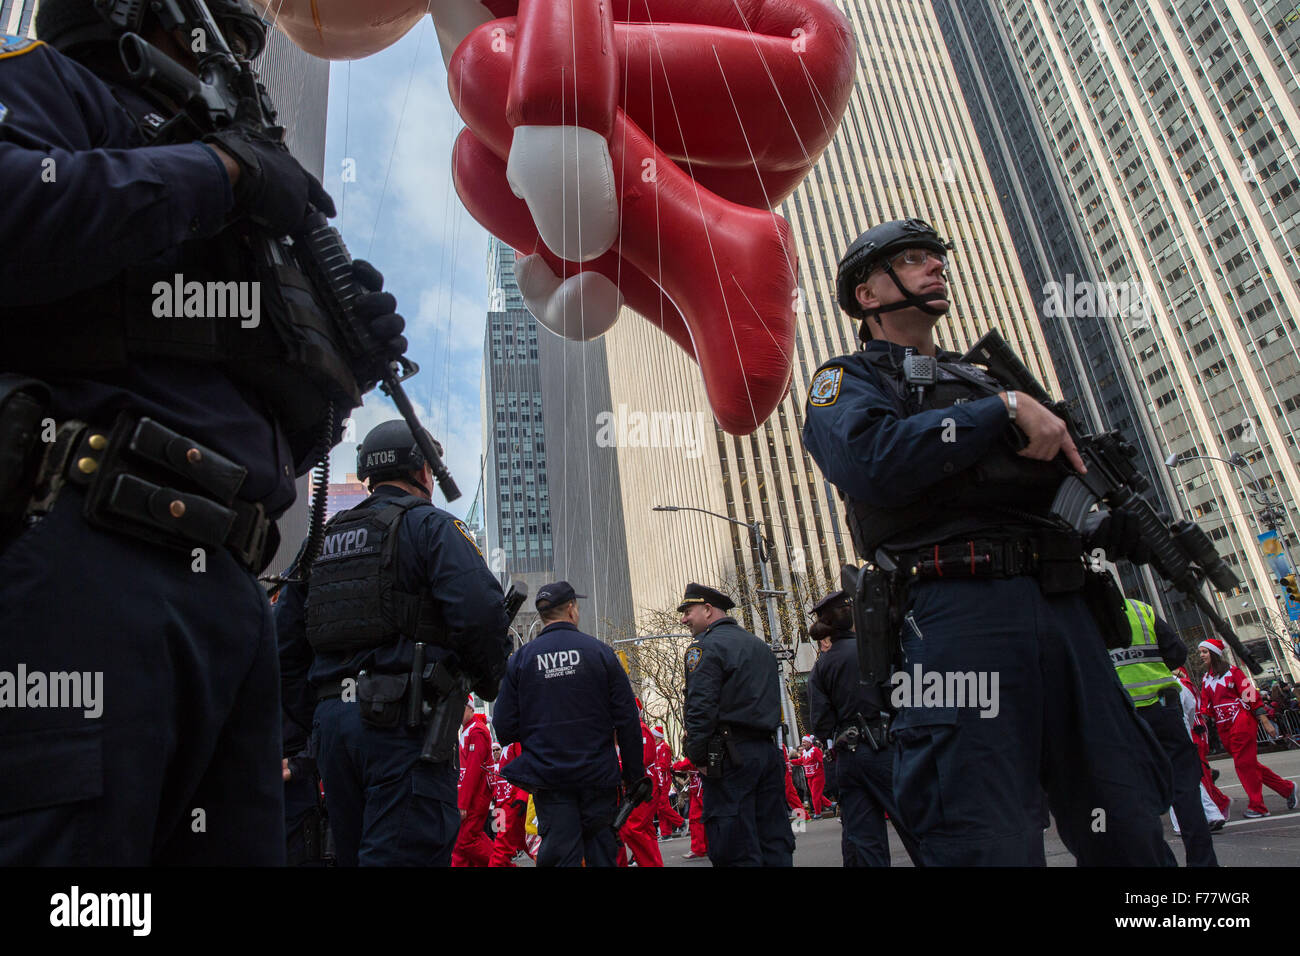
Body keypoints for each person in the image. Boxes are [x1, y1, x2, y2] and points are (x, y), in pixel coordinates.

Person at [0, 0, 412, 865]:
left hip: (227, 582)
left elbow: (259, 437)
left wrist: (337, 359)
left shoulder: (234, 187)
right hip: (87, 545)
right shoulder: (49, 83)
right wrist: (219, 174)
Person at [802, 217, 1175, 866]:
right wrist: (998, 413)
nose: (936, 266)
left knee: (1131, 827)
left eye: (937, 257)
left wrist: (1107, 517)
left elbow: (1059, 495)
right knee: (984, 838)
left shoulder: (982, 376)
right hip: (956, 614)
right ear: (868, 295)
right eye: (914, 259)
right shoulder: (850, 381)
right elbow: (872, 460)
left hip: (1064, 608)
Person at [276, 420, 512, 866]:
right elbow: (481, 613)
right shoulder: (432, 527)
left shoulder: (319, 541)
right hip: (403, 727)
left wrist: (311, 724)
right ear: (424, 471)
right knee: (408, 850)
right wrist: (488, 680)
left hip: (333, 732)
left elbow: (283, 644)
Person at [492, 581, 647, 867]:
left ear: (542, 616)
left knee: (560, 854)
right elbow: (628, 720)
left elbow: (503, 728)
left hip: (550, 779)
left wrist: (539, 732)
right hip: (597, 776)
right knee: (602, 852)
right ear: (572, 609)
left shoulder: (522, 660)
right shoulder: (600, 654)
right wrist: (634, 775)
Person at [680, 582, 795, 866]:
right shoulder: (759, 646)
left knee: (734, 845)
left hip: (730, 758)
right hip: (767, 754)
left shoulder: (704, 648)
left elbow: (699, 707)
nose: (683, 619)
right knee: (774, 840)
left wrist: (697, 754)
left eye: (688, 611)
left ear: (707, 610)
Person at [806, 589, 921, 866]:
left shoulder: (821, 667)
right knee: (916, 827)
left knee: (864, 839)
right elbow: (899, 698)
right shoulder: (873, 651)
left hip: (849, 757)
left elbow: (820, 725)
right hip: (884, 751)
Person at [1110, 599, 1217, 866]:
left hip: (1122, 714)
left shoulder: (1080, 611)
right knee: (1185, 791)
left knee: (1136, 797)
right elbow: (1177, 652)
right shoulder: (1140, 609)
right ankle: (1203, 863)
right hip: (1163, 708)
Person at [1198, 638, 1298, 818]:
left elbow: (1251, 696)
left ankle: (1258, 806)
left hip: (1241, 721)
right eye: (1201, 652)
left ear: (1214, 653)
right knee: (1248, 764)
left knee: (1243, 764)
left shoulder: (1234, 673)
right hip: (1223, 726)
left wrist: (1265, 721)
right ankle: (1287, 788)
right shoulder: (1206, 679)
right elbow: (1206, 706)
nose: (1201, 656)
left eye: (1205, 652)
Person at [618, 703, 664, 867]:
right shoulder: (632, 729)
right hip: (638, 786)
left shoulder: (640, 729)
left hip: (642, 787)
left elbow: (643, 758)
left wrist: (619, 771)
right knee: (645, 830)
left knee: (633, 828)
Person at [453, 700, 495, 866]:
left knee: (466, 840)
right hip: (471, 793)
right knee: (464, 840)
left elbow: (473, 770)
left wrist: (463, 802)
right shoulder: (469, 728)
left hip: (477, 794)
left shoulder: (476, 730)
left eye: (460, 708)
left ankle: (503, 863)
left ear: (470, 708)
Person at [489, 741, 530, 867]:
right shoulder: (494, 765)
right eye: (493, 750)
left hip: (512, 805)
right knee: (520, 843)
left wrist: (522, 796)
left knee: (502, 846)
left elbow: (525, 767)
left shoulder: (515, 745)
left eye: (497, 749)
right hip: (499, 809)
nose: (495, 752)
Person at [671, 756, 708, 859]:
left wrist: (675, 766)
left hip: (699, 785)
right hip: (701, 783)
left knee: (696, 818)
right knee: (705, 817)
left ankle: (698, 848)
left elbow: (687, 763)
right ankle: (706, 847)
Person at [652, 727, 686, 839]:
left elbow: (664, 765)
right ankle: (666, 833)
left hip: (664, 781)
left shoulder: (665, 747)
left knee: (662, 805)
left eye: (653, 735)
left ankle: (681, 822)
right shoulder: (655, 746)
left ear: (657, 736)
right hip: (657, 780)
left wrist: (656, 769)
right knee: (659, 807)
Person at [793, 737, 829, 817]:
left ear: (809, 742)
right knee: (815, 794)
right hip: (809, 777)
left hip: (818, 776)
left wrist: (823, 772)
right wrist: (790, 761)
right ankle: (831, 805)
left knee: (815, 795)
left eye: (804, 742)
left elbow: (821, 761)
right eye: (802, 742)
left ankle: (818, 814)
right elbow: (800, 761)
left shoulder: (815, 750)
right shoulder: (804, 752)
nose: (803, 744)